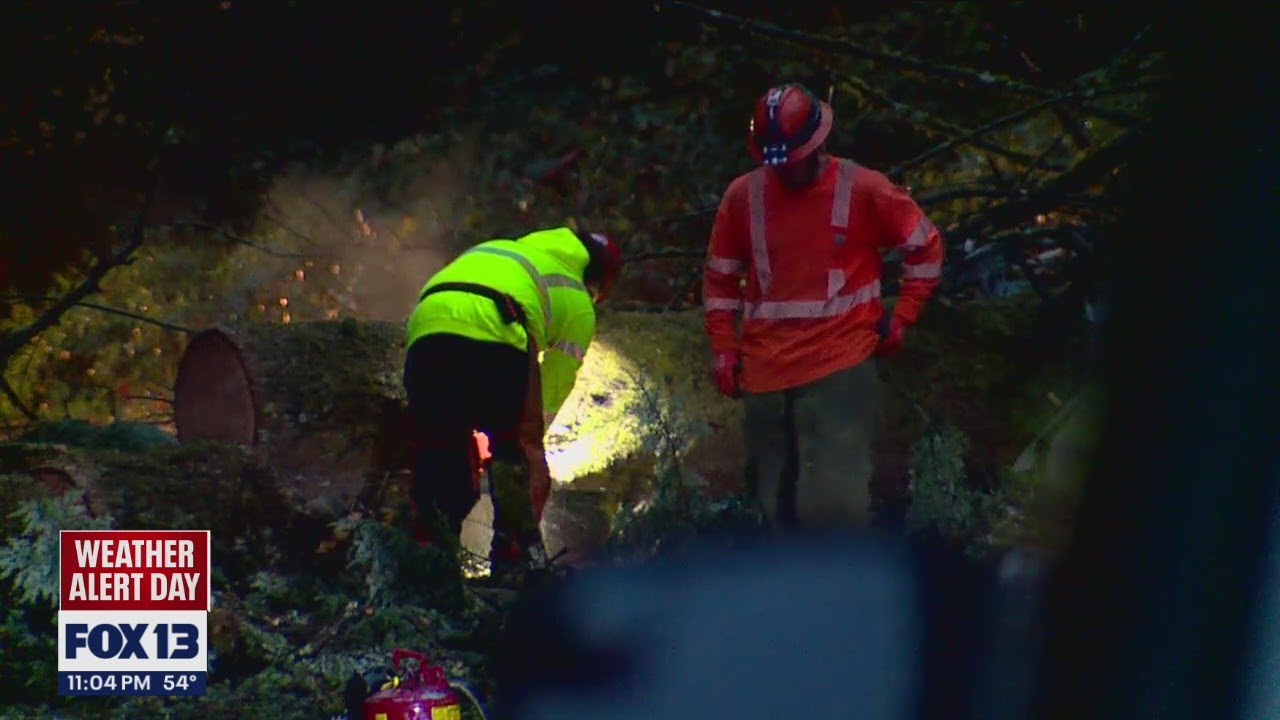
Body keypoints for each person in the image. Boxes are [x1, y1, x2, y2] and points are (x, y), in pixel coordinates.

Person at [702, 82, 945, 531]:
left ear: (818, 143)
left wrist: (904, 316)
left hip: (840, 363)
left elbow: (925, 247)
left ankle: (837, 588)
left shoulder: (864, 188)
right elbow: (720, 278)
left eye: (793, 161)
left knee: (834, 502)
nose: (786, 173)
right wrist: (724, 346)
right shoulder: (744, 196)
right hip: (766, 370)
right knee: (770, 505)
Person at [403, 226, 622, 576]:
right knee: (519, 456)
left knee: (440, 452)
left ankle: (429, 561)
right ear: (597, 280)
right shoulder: (577, 298)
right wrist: (537, 432)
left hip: (425, 332)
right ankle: (515, 558)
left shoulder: (503, 249)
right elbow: (554, 383)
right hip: (497, 332)